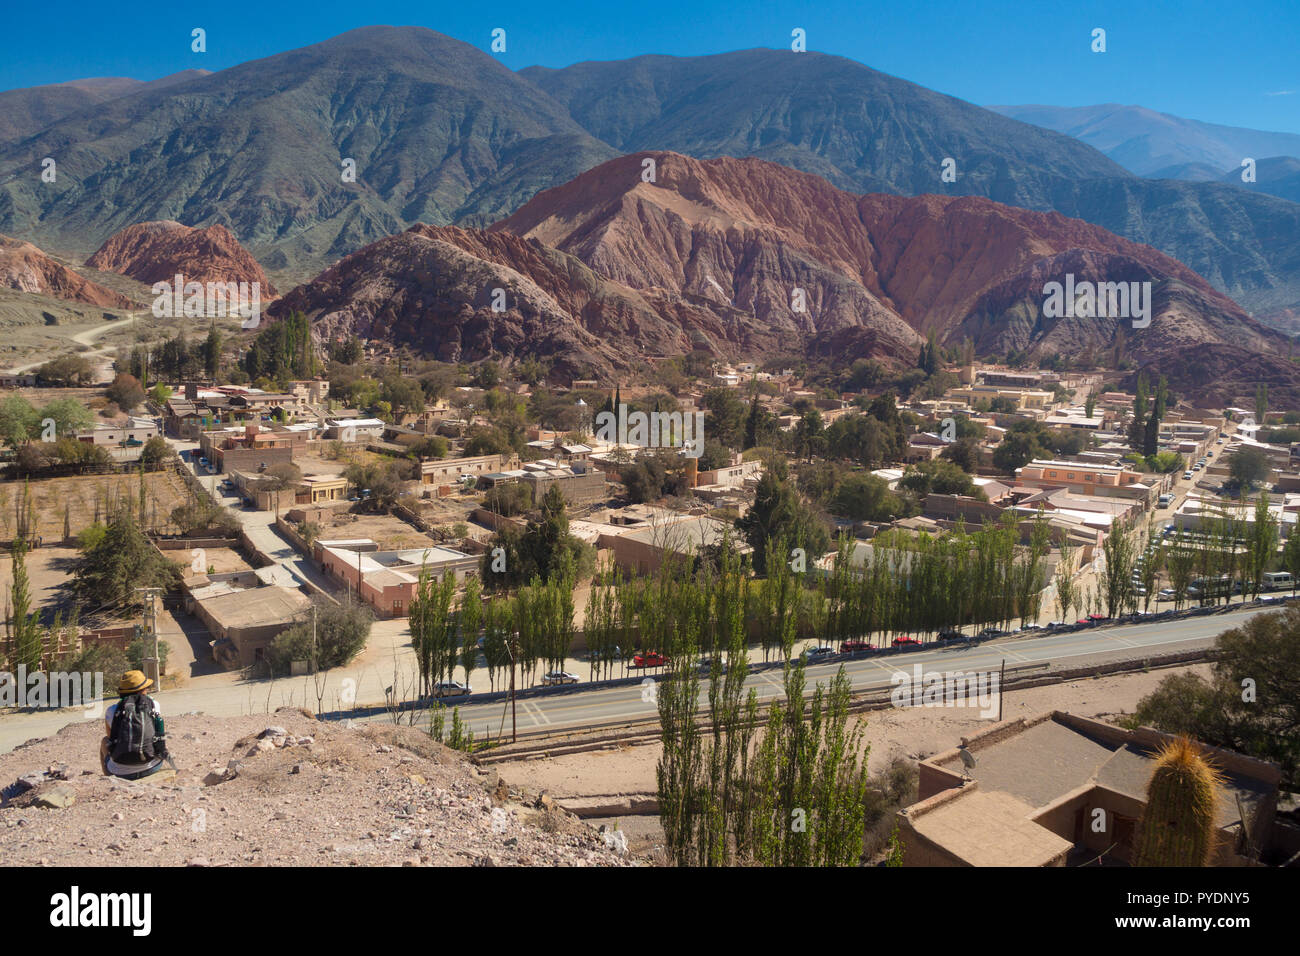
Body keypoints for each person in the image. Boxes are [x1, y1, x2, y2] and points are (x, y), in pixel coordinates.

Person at [100, 671, 169, 780]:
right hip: (152, 766)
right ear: (143, 690)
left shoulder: (112, 710)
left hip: (120, 772)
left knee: (104, 741)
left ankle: (109, 779)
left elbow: (111, 738)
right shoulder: (154, 705)